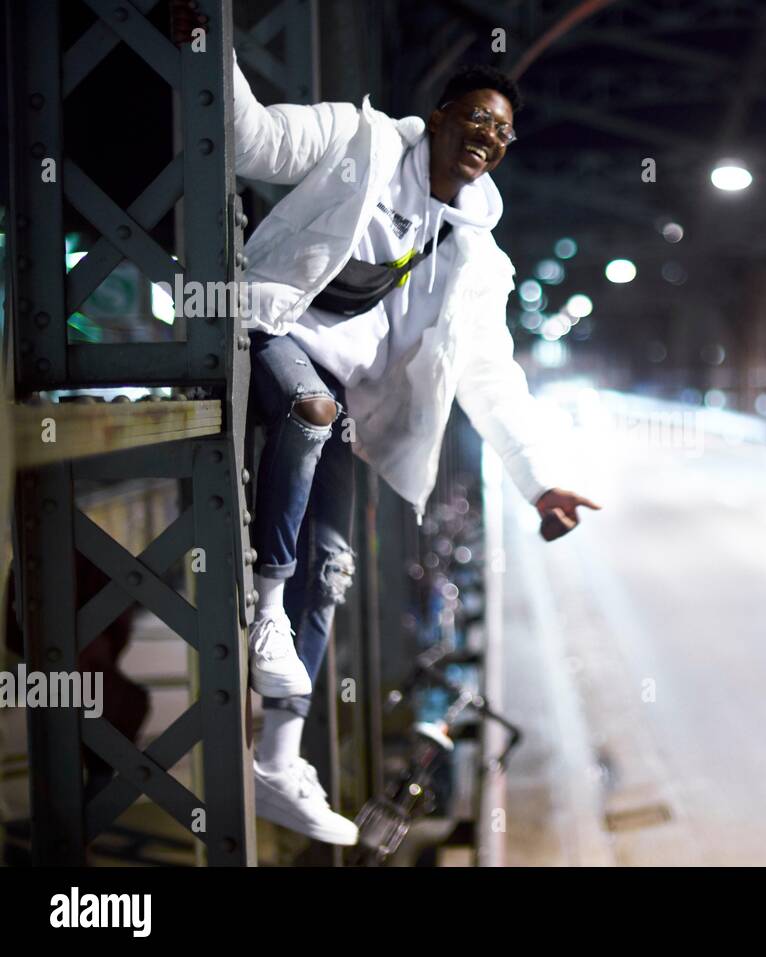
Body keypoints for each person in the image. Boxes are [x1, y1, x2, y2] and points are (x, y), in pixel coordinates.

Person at [173, 12, 601, 843]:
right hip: (270, 333)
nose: (489, 137)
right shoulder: (355, 140)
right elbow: (249, 139)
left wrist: (540, 479)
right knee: (308, 411)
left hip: (344, 393)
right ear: (437, 117)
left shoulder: (479, 253)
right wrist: (204, 42)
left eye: (504, 132)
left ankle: (276, 759)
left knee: (331, 566)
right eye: (476, 118)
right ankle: (264, 613)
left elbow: (489, 375)